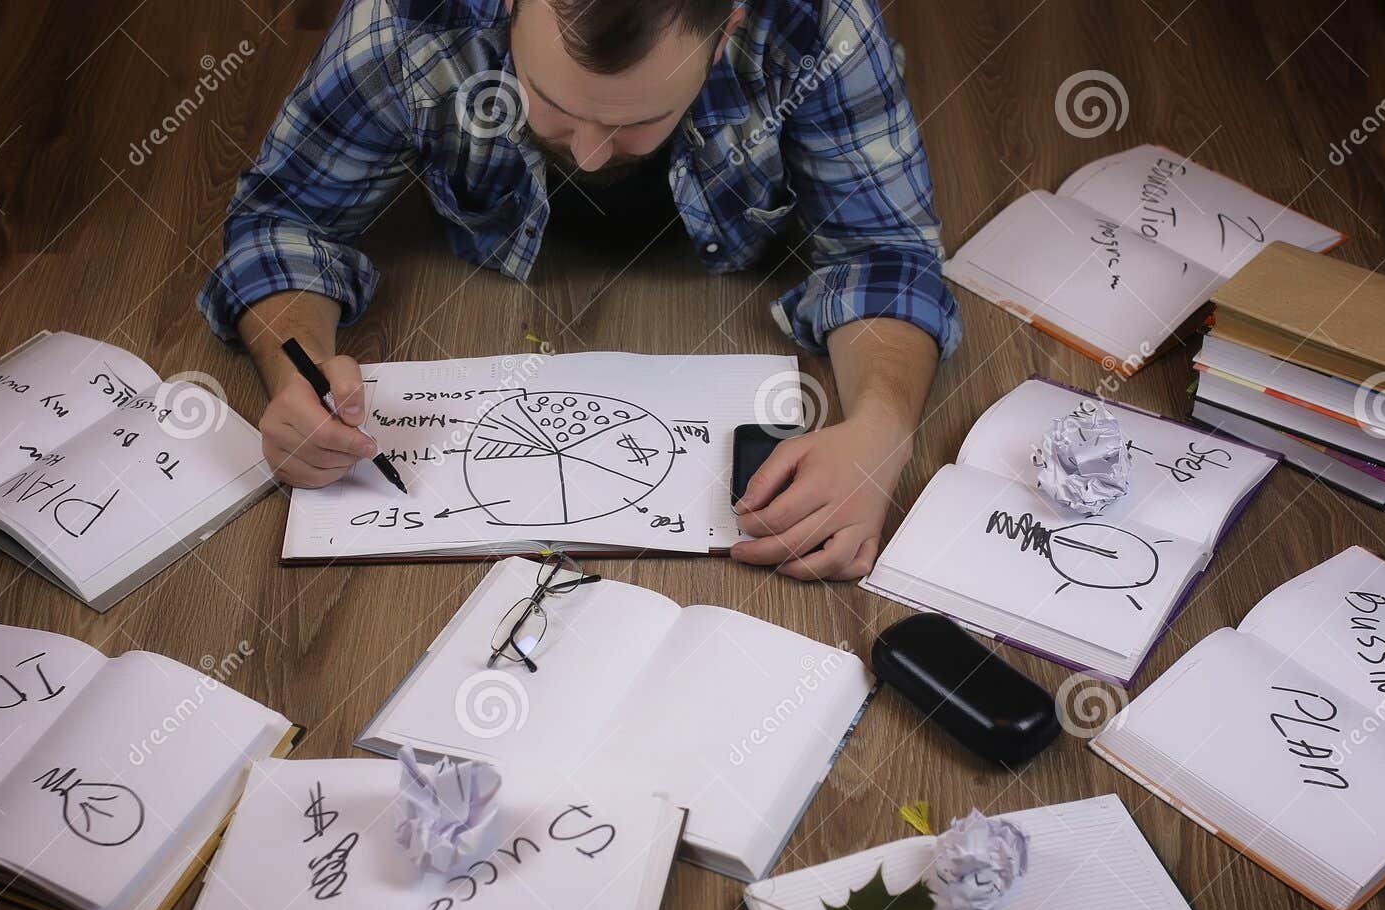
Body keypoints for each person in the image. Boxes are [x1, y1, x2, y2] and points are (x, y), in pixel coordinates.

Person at [200, 0, 961, 580]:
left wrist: (881, 430)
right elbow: (284, 218)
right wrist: (293, 362)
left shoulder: (817, 24)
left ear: (727, 29)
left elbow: (884, 251)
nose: (593, 158)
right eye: (554, 107)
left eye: (638, 121)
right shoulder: (408, 19)